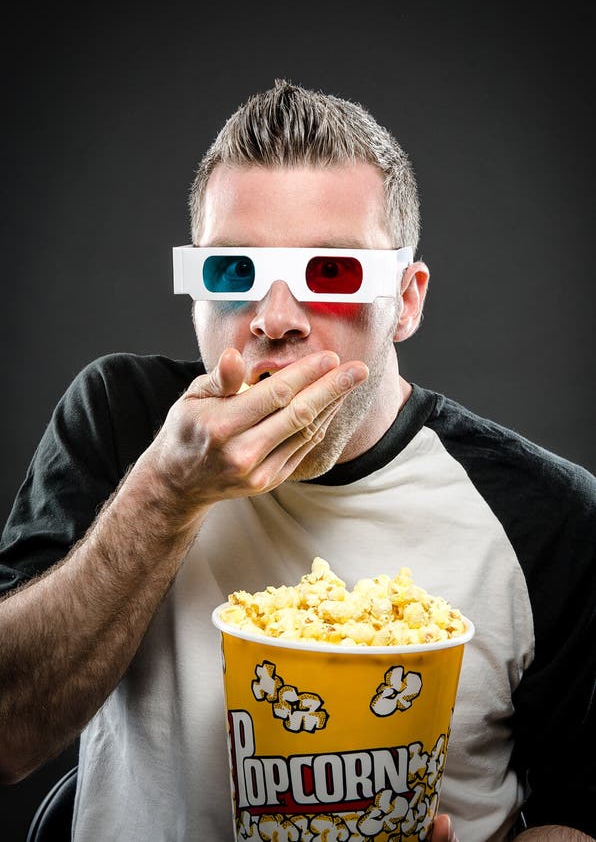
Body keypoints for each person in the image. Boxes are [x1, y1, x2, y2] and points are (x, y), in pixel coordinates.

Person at [0, 79, 594, 842]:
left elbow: (580, 811)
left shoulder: (548, 514)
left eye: (333, 274)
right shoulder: (123, 424)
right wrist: (166, 494)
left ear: (406, 302)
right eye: (230, 273)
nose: (274, 321)